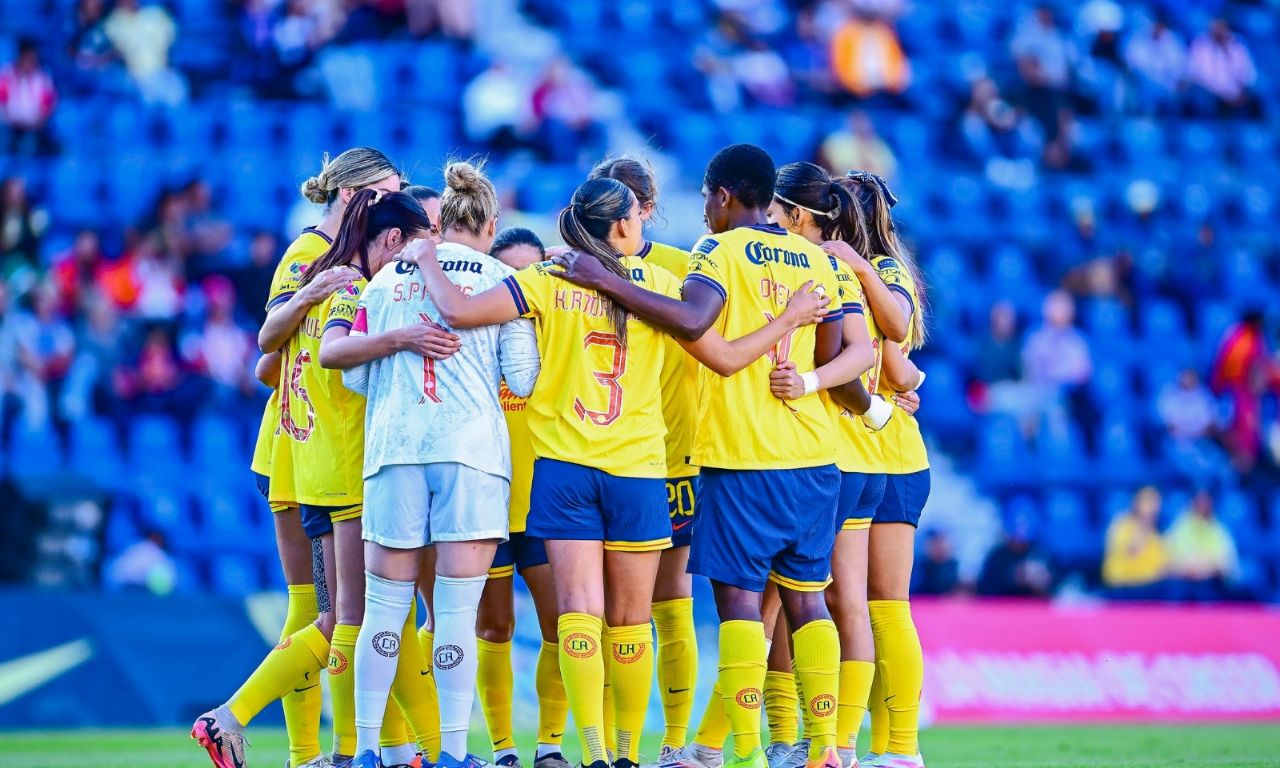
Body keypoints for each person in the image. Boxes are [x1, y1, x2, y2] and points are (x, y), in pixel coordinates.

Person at [409, 171, 830, 768]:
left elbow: (456, 308)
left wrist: (427, 259)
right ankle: (633, 753)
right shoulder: (663, 285)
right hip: (638, 469)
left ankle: (595, 754)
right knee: (633, 623)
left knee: (578, 613)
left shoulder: (546, 280)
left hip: (563, 468)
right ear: (626, 224)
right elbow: (725, 354)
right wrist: (789, 318)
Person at [551, 145, 854, 768]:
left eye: (707, 200)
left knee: (739, 602)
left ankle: (743, 751)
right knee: (807, 600)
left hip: (742, 455)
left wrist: (606, 281)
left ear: (720, 196)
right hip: (815, 455)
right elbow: (828, 358)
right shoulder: (815, 263)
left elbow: (694, 320)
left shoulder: (717, 250)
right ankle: (827, 749)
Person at [193, 150, 454, 768]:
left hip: (309, 449)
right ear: (354, 197)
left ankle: (363, 750)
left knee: (337, 611)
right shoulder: (318, 257)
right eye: (387, 193)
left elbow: (269, 364)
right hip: (316, 451)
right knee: (347, 613)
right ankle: (337, 750)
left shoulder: (345, 268)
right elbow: (265, 344)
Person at [330, 164, 539, 768]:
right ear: (492, 224)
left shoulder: (387, 278)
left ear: (438, 221)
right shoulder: (505, 278)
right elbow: (523, 377)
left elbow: (357, 376)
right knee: (452, 610)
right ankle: (451, 752)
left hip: (394, 449)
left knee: (384, 608)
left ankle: (368, 750)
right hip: (471, 453)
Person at [764, 161, 883, 768]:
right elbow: (878, 355)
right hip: (847, 458)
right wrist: (880, 404)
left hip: (792, 456)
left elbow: (867, 357)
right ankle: (835, 747)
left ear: (795, 214)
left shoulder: (781, 263)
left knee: (769, 606)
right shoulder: (842, 269)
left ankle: (782, 740)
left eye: (774, 210)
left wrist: (807, 381)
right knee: (836, 605)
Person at [586, 156, 701, 757]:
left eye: (624, 201)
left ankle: (676, 743)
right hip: (596, 456)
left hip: (671, 457)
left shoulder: (682, 271)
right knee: (601, 611)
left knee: (669, 600)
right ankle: (605, 744)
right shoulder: (574, 274)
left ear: (646, 209)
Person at [837, 169, 930, 768]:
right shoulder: (876, 270)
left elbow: (897, 359)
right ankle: (890, 748)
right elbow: (905, 373)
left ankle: (878, 746)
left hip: (875, 452)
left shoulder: (879, 271)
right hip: (887, 451)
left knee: (874, 604)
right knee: (874, 605)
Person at [474, 227, 571, 768]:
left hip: (544, 500)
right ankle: (503, 749)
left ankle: (550, 745)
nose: (519, 284)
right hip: (487, 497)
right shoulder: (477, 328)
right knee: (495, 627)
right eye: (508, 273)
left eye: (529, 273)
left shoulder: (560, 323)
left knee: (561, 623)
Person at [1165, 491, 1239, 602]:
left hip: (1211, 582)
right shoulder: (1179, 527)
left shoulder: (1219, 531)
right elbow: (1168, 562)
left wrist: (1207, 569)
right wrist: (1189, 569)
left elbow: (1229, 565)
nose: (1202, 507)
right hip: (1183, 582)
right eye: (1199, 503)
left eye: (1206, 503)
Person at [1102, 486, 1168, 599]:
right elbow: (1133, 550)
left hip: (1150, 587)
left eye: (1156, 502)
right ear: (1136, 502)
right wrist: (1143, 525)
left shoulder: (1156, 533)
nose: (1153, 507)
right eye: (1148, 501)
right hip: (1123, 588)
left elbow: (1162, 566)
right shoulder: (1121, 525)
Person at [1186, 18, 1259, 118]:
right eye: (1217, 30)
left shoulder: (1237, 44)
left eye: (1223, 30)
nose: (1220, 33)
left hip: (1238, 92)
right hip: (1213, 92)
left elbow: (1248, 69)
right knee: (1208, 101)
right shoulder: (1201, 46)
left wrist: (1244, 89)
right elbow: (1199, 74)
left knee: (1257, 99)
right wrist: (1223, 92)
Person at [0, 38, 58, 156]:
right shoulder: (7, 74)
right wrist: (9, 118)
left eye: (33, 58)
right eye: (27, 58)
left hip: (32, 126)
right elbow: (1, 99)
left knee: (27, 147)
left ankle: (20, 173)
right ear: (20, 57)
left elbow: (48, 105)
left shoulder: (42, 77)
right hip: (7, 123)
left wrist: (38, 121)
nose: (30, 62)